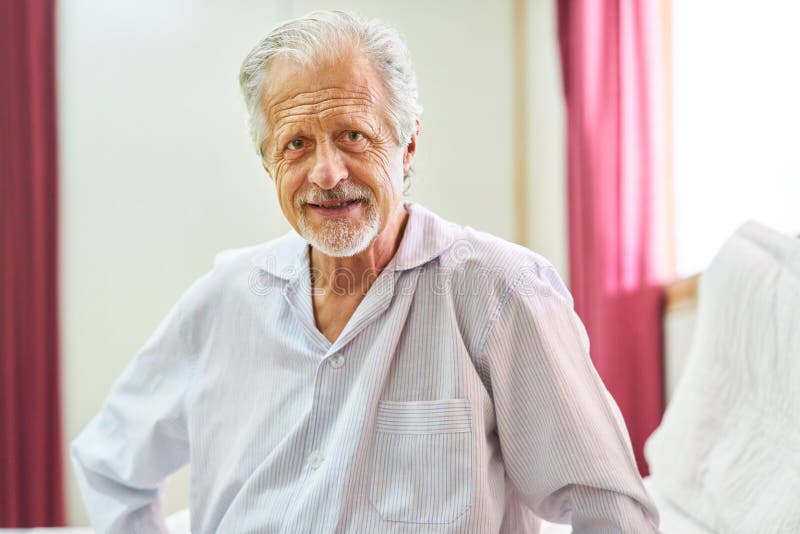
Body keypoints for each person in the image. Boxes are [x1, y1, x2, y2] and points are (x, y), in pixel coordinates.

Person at [72, 10, 660, 533]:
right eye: (296, 144)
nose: (326, 172)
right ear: (267, 161)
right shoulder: (224, 299)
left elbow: (610, 512)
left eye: (353, 135)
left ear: (406, 145)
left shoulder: (499, 291)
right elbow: (112, 462)